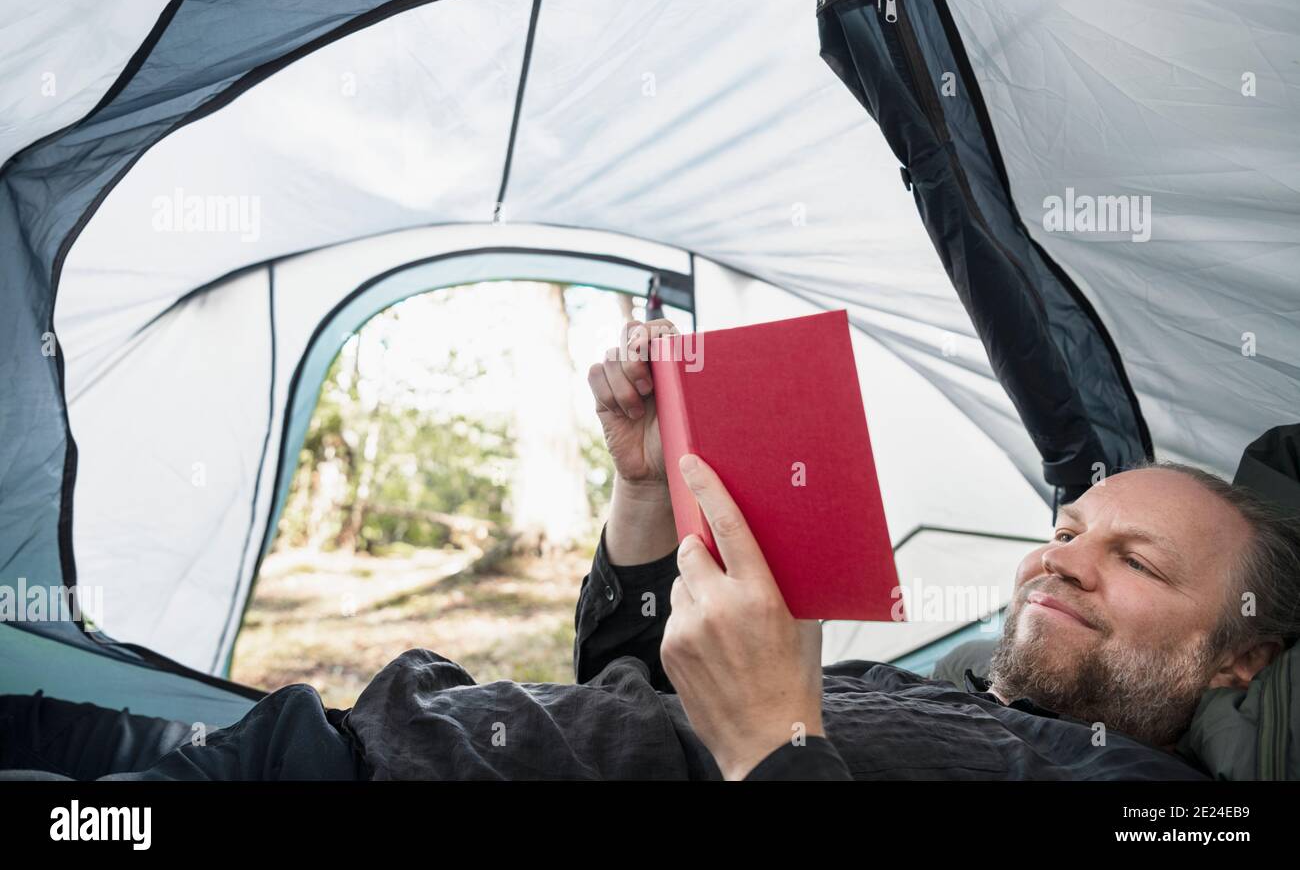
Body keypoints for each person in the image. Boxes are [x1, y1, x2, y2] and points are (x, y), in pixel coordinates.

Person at [4, 320, 1297, 780]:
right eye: (1065, 530)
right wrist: (639, 491)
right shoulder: (934, 694)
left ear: (1239, 659)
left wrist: (776, 747)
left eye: (1138, 561)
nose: (1063, 558)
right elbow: (630, 705)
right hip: (335, 734)